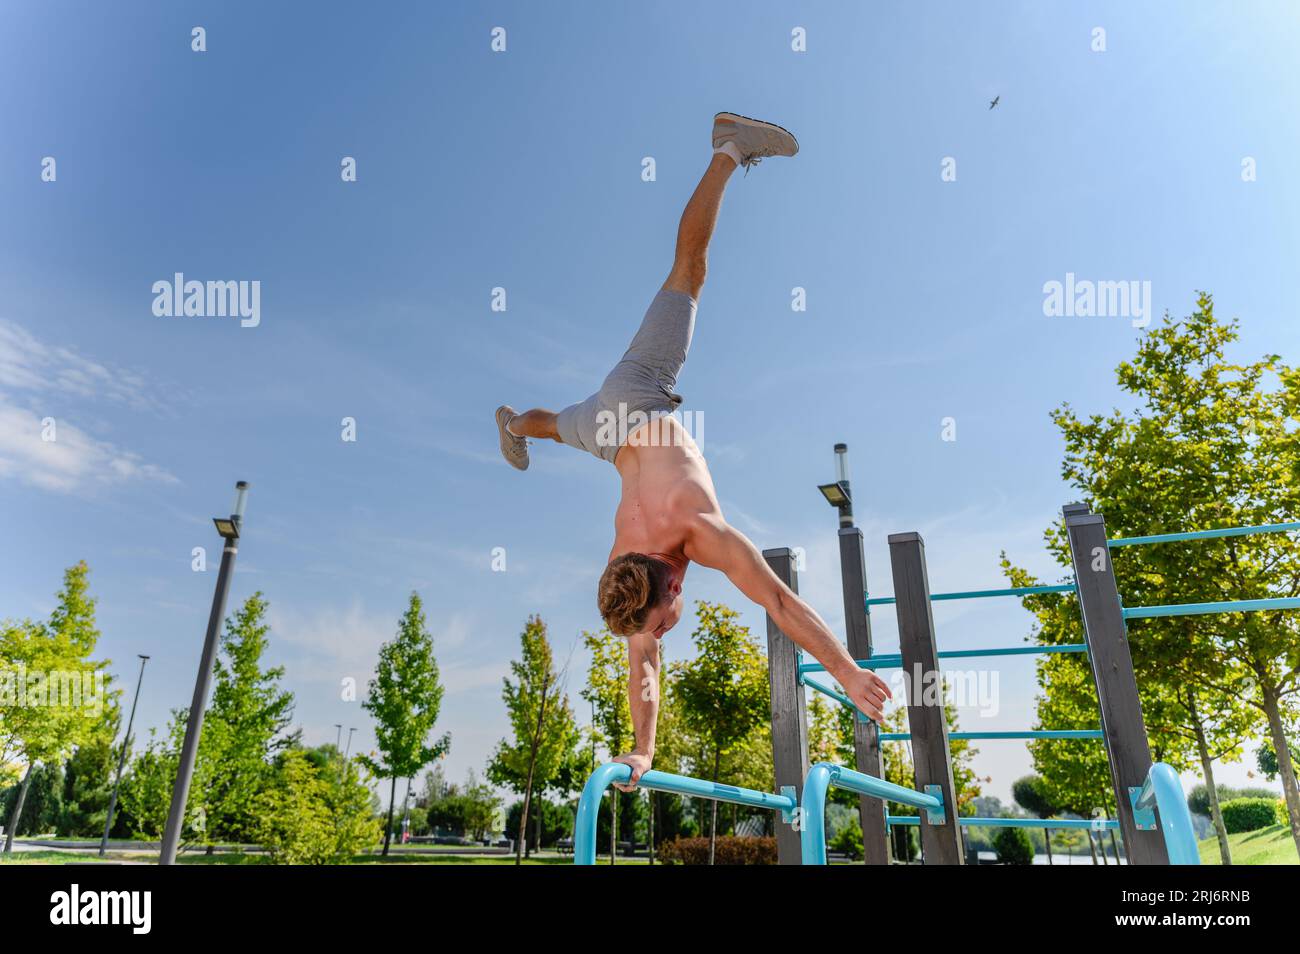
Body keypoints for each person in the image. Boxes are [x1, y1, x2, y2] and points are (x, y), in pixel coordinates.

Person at [494, 113, 891, 790]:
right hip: (604, 434)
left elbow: (782, 606)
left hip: (635, 397)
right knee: (557, 423)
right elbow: (641, 660)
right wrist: (640, 751)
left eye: (662, 623)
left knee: (689, 269)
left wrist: (848, 671)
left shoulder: (696, 534)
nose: (662, 632)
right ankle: (514, 425)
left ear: (672, 583)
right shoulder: (626, 580)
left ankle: (728, 149)